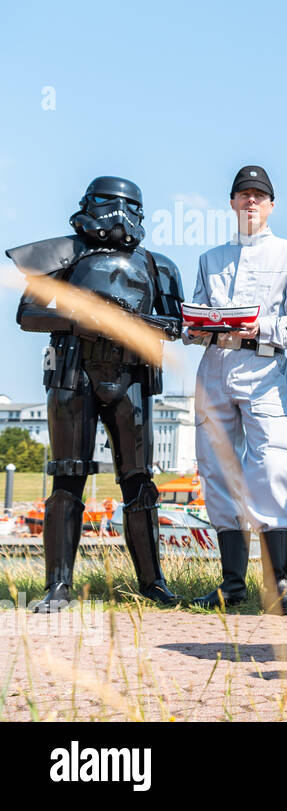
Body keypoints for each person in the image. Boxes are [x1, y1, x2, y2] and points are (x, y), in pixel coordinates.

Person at [7, 177, 184, 611]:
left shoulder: (158, 265)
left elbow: (177, 322)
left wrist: (142, 324)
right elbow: (27, 313)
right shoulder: (65, 255)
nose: (118, 215)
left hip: (133, 376)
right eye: (109, 204)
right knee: (68, 476)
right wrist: (78, 320)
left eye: (126, 206)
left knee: (139, 482)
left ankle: (152, 583)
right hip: (73, 374)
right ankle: (59, 586)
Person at [188, 166, 287, 614]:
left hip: (263, 367)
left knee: (270, 469)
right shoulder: (210, 258)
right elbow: (196, 313)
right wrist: (192, 325)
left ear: (272, 205)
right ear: (231, 202)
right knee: (217, 472)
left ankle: (277, 585)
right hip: (215, 365)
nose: (251, 202)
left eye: (259, 196)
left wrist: (256, 324)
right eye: (243, 195)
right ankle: (231, 584)